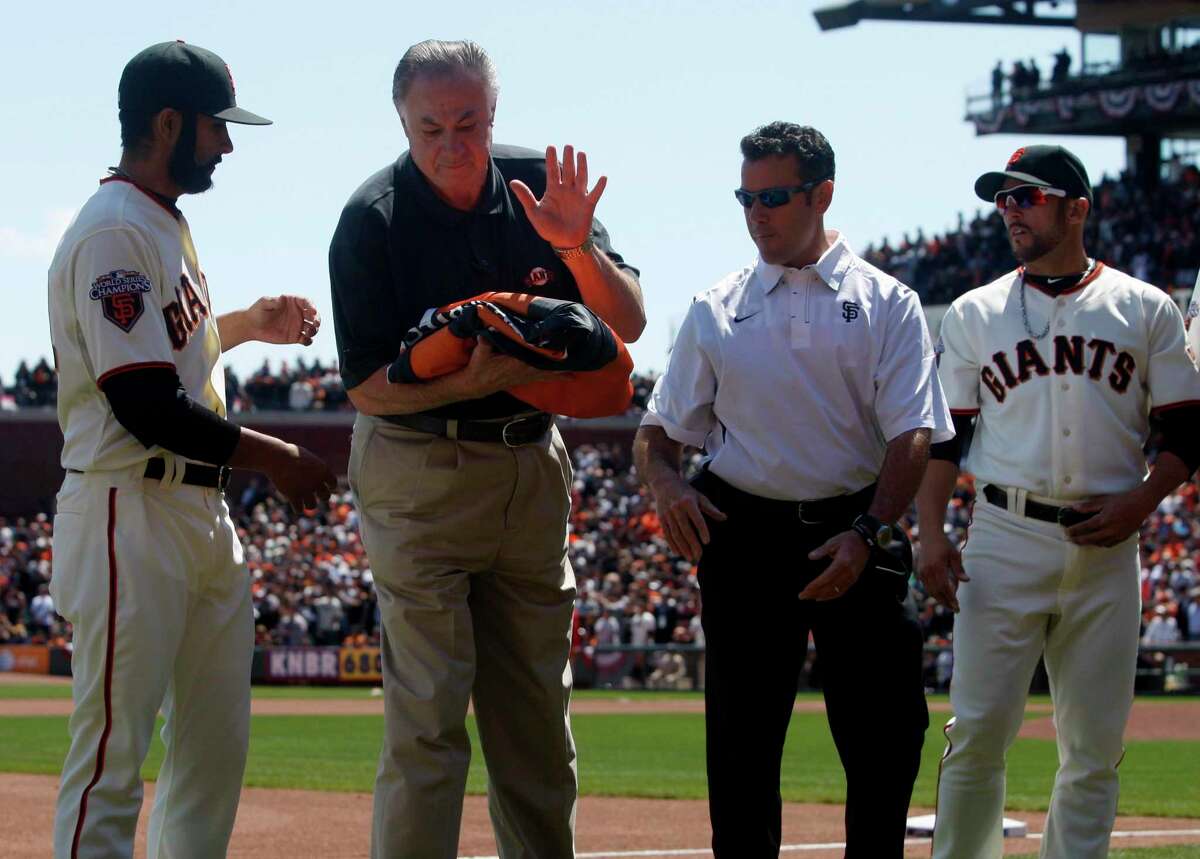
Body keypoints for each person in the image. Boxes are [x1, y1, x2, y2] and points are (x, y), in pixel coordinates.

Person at [328, 39, 643, 858]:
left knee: (536, 716)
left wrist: (576, 249)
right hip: (416, 465)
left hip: (532, 462)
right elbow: (365, 386)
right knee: (429, 716)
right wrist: (475, 378)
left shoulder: (542, 182)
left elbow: (631, 323)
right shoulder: (371, 219)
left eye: (468, 121)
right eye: (429, 125)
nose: (450, 142)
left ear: (493, 113)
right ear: (402, 120)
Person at [47, 41, 337, 859]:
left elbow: (175, 354)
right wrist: (275, 454)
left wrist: (244, 324)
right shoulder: (111, 229)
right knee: (113, 755)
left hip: (197, 510)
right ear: (167, 122)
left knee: (213, 750)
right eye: (216, 127)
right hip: (128, 504)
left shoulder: (164, 221)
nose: (228, 145)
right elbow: (143, 402)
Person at [634, 121, 952, 858]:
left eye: (773, 196)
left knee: (886, 739)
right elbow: (657, 433)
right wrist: (666, 483)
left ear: (824, 194)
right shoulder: (715, 306)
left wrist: (869, 530)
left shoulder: (888, 302)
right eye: (745, 197)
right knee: (741, 750)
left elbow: (914, 433)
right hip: (743, 537)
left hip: (857, 529)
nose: (756, 214)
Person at [917, 144, 1200, 859]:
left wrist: (1143, 501)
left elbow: (1187, 432)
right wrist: (929, 531)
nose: (1010, 210)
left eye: (1028, 197)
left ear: (1077, 208)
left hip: (1111, 541)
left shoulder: (1145, 307)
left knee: (1096, 744)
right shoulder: (974, 313)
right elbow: (946, 442)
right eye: (1003, 199)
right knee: (977, 728)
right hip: (1004, 536)